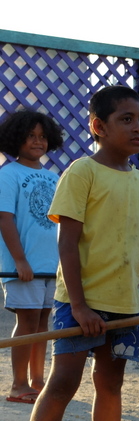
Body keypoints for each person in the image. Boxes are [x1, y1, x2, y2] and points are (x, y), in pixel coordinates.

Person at [18, 86, 139, 421]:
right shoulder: (83, 172)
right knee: (62, 384)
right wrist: (79, 306)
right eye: (126, 119)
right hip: (80, 303)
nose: (137, 128)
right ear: (98, 126)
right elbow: (68, 242)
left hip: (125, 306)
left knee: (110, 385)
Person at [0, 109, 63, 404]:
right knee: (26, 323)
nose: (38, 141)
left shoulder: (53, 177)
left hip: (51, 265)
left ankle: (38, 381)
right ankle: (18, 384)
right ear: (16, 139)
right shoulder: (8, 174)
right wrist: (20, 261)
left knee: (42, 322)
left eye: (42, 136)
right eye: (30, 136)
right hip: (23, 266)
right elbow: (5, 219)